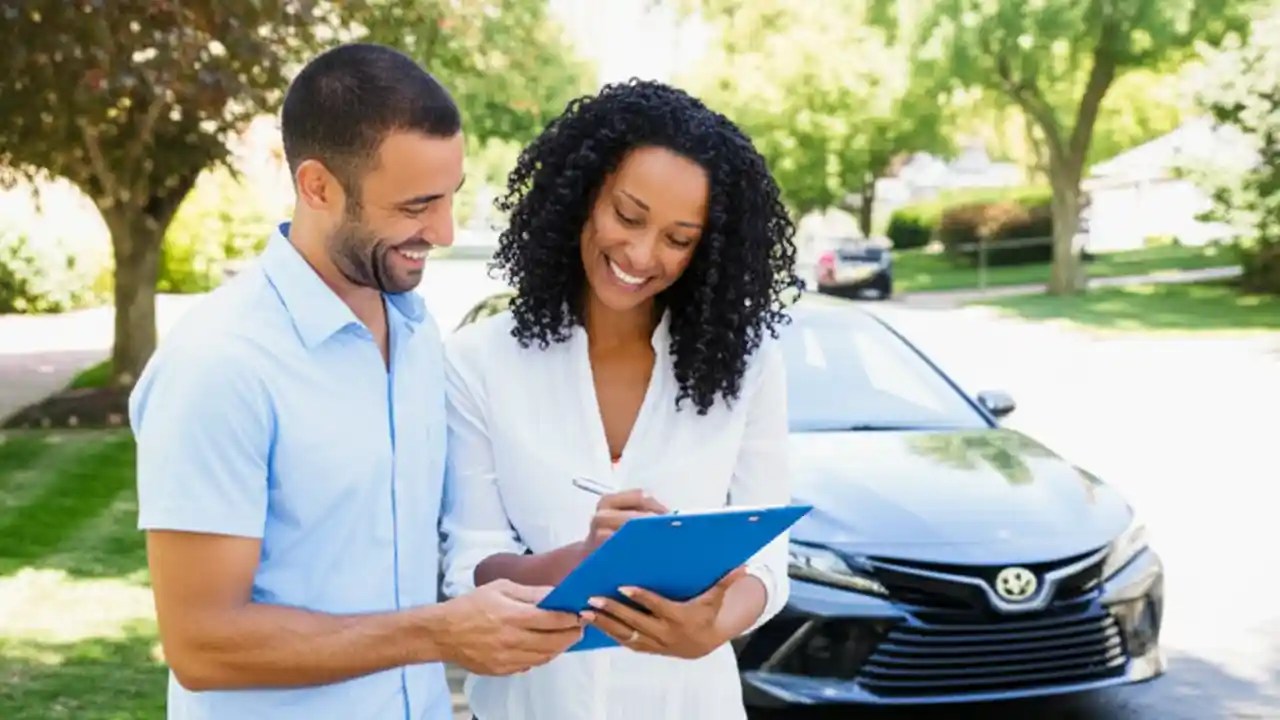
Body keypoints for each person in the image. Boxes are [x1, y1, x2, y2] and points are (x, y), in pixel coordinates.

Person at [128, 43, 583, 720]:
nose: (443, 230)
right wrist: (434, 632)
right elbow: (202, 644)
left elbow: (420, 559)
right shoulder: (219, 365)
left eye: (451, 198)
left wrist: (593, 560)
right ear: (317, 186)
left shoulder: (419, 334)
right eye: (415, 206)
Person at [440, 79, 803, 720]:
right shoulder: (478, 362)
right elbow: (470, 567)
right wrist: (576, 561)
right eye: (628, 216)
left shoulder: (749, 368)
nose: (641, 254)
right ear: (581, 197)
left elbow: (767, 558)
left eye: (678, 238)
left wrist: (712, 629)